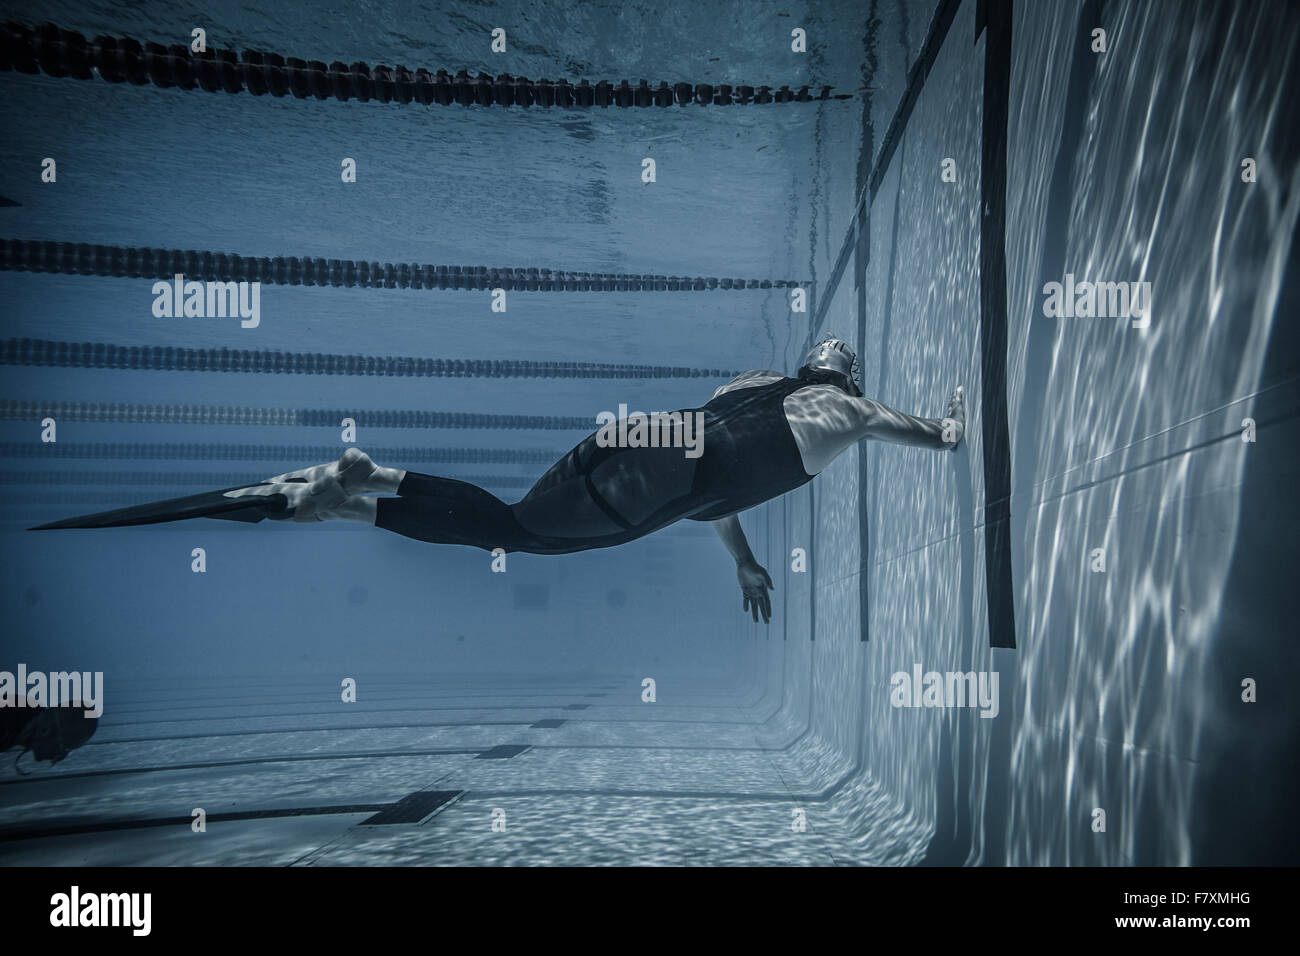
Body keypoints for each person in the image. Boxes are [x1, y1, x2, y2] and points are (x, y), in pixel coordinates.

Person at [34, 337, 964, 622]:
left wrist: (741, 563)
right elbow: (946, 437)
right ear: (848, 383)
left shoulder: (753, 382)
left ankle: (376, 478)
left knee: (518, 517)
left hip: (643, 438)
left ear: (804, 363)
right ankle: (363, 498)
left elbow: (707, 484)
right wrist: (951, 414)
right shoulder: (851, 415)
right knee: (516, 535)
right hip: (669, 478)